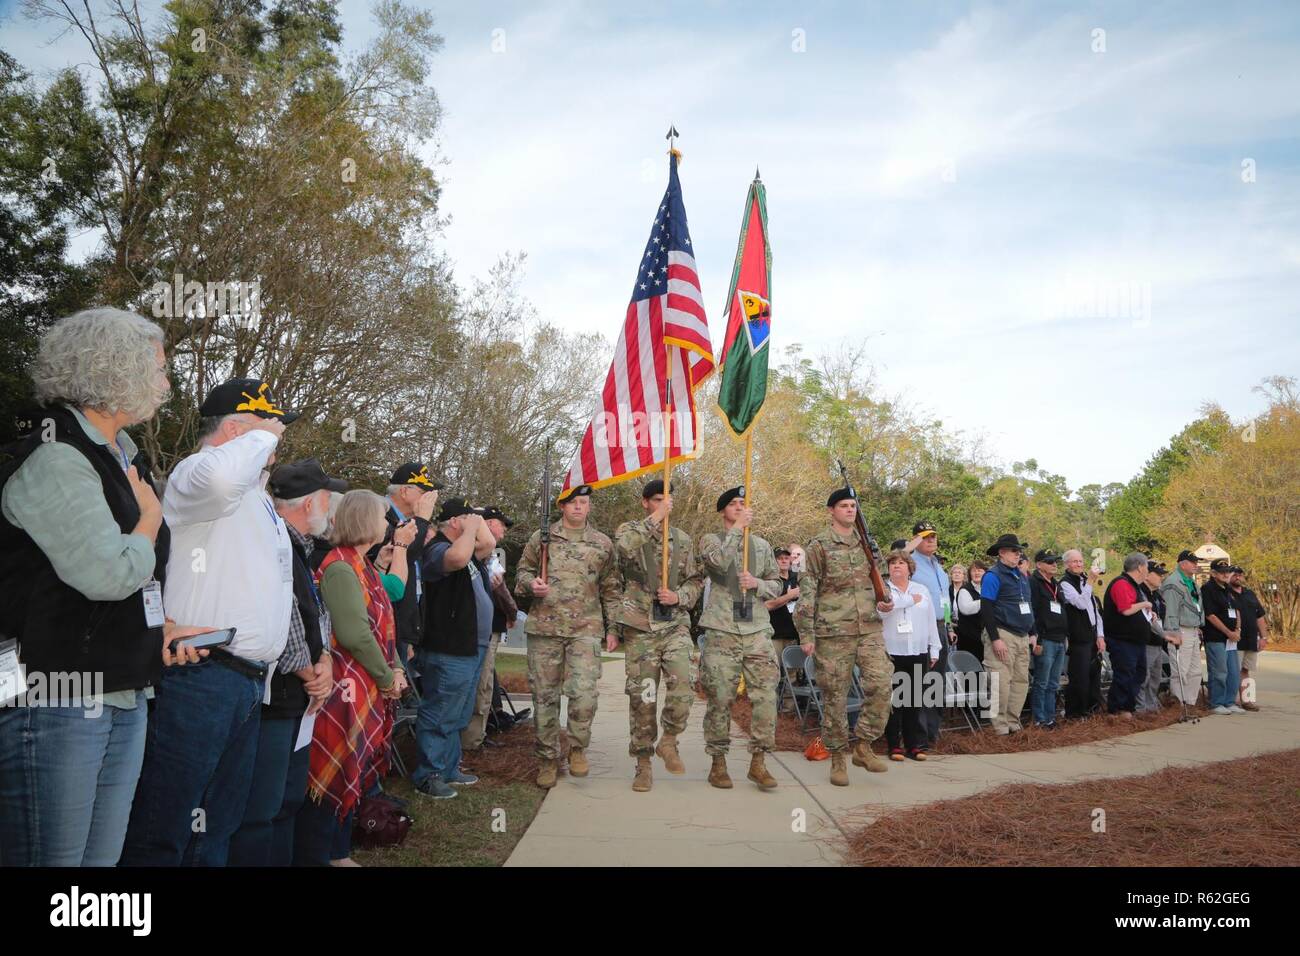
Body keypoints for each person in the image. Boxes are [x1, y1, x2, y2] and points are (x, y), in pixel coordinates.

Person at [0, 308, 208, 867]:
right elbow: (106, 574)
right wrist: (147, 519)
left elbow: (133, 579)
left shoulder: (122, 458)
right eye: (159, 369)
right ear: (114, 370)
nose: (167, 384)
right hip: (57, 698)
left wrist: (159, 628)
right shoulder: (57, 458)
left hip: (122, 688)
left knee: (97, 870)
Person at [122, 376, 299, 866]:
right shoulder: (197, 473)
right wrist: (262, 432)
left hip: (243, 680)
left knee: (216, 824)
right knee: (165, 824)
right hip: (201, 674)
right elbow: (222, 479)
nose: (277, 441)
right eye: (268, 430)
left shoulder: (258, 497)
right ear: (236, 431)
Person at [228, 459, 343, 866]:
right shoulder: (274, 543)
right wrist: (310, 671)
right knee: (262, 807)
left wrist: (326, 659)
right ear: (308, 503)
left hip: (301, 697)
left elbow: (318, 613)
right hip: (275, 699)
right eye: (327, 498)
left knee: (289, 798)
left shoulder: (302, 547)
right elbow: (282, 615)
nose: (331, 508)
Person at [295, 490, 407, 865]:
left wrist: (396, 669)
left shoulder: (364, 564)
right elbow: (355, 634)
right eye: (381, 516)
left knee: (351, 771)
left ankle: (338, 852)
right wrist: (387, 676)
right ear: (364, 521)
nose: (388, 524)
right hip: (345, 688)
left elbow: (385, 627)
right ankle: (321, 854)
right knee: (331, 774)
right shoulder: (342, 567)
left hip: (365, 685)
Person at [513, 486, 619, 788]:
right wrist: (531, 585)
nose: (578, 507)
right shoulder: (542, 538)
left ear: (589, 507)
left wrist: (614, 628)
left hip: (585, 630)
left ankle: (577, 748)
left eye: (583, 502)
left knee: (584, 695)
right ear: (562, 506)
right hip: (545, 629)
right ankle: (547, 759)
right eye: (572, 502)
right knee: (544, 698)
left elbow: (611, 588)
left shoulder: (602, 544)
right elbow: (521, 573)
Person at [794, 486, 894, 786]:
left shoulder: (868, 545)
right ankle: (838, 757)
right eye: (844, 506)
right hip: (833, 632)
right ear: (831, 511)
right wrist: (806, 633)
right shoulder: (819, 546)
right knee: (835, 697)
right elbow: (807, 590)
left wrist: (885, 597)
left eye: (853, 505)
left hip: (870, 628)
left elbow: (881, 580)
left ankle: (863, 744)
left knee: (881, 684)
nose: (850, 510)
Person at [613, 479, 704, 792]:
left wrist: (680, 597)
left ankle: (669, 740)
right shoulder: (630, 530)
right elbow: (622, 549)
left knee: (685, 683)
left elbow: (695, 580)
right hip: (640, 627)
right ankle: (643, 763)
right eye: (656, 499)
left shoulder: (682, 540)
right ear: (645, 503)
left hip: (674, 625)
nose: (663, 504)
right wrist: (655, 519)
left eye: (667, 500)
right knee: (643, 698)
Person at [409, 498, 496, 798]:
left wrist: (475, 522)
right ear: (455, 522)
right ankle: (428, 774)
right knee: (440, 712)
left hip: (471, 646)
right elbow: (457, 559)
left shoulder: (468, 548)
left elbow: (489, 542)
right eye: (470, 519)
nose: (477, 524)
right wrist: (470, 527)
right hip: (448, 647)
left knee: (458, 713)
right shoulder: (436, 551)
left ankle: (447, 768)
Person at [697, 486, 782, 790]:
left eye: (743, 504)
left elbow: (777, 585)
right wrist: (737, 531)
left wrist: (758, 582)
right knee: (720, 698)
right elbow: (718, 563)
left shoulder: (762, 545)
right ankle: (717, 763)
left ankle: (758, 762)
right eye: (733, 504)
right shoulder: (711, 540)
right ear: (723, 512)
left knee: (766, 697)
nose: (739, 507)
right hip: (722, 630)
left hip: (757, 630)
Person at [374, 462, 442, 672]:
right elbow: (404, 554)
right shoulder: (382, 516)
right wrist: (422, 519)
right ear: (404, 491)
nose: (428, 499)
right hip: (386, 619)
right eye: (423, 492)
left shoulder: (405, 521)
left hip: (402, 622)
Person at [462, 505, 519, 753]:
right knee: (481, 685)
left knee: (485, 684)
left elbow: (499, 583)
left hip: (490, 625)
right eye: (501, 524)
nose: (504, 531)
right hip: (480, 628)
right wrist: (513, 611)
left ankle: (479, 734)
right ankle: (472, 741)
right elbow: (499, 588)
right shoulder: (478, 552)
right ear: (486, 522)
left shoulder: (488, 553)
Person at [878, 550, 941, 760]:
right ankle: (894, 746)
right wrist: (908, 600)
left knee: (913, 701)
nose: (897, 566)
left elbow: (931, 620)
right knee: (895, 701)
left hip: (917, 651)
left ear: (909, 567)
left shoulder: (921, 589)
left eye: (901, 563)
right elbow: (884, 610)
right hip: (893, 653)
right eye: (893, 563)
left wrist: (935, 647)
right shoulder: (884, 588)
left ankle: (913, 745)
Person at [978, 534, 1035, 735]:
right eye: (1014, 550)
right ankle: (998, 728)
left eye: (1019, 551)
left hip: (1022, 635)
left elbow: (1028, 605)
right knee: (999, 683)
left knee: (1020, 682)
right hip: (1003, 633)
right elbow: (986, 608)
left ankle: (1012, 722)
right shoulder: (993, 575)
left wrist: (1033, 631)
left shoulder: (1021, 575)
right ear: (1001, 553)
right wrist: (995, 639)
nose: (1018, 554)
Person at [903, 521, 950, 745]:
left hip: (941, 627)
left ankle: (932, 731)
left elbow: (945, 600)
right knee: (919, 682)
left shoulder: (938, 567)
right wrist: (909, 547)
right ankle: (918, 735)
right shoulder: (910, 563)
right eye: (925, 537)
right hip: (920, 628)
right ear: (916, 540)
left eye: (933, 536)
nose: (931, 540)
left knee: (937, 681)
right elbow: (888, 563)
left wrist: (949, 626)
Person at [1101, 553, 1154, 720]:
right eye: (1146, 566)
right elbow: (1126, 609)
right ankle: (1115, 710)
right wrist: (1145, 604)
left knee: (1138, 674)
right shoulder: (1121, 583)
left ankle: (1127, 708)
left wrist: (1148, 614)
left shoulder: (1135, 586)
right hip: (1122, 639)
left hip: (1136, 640)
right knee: (1125, 674)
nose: (1148, 571)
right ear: (1139, 567)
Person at [1059, 550, 1106, 718]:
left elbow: (1094, 611)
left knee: (1094, 674)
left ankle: (1092, 709)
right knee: (1080, 677)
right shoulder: (1064, 583)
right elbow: (1080, 603)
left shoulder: (1085, 581)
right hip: (1078, 638)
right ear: (1066, 564)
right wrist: (1091, 581)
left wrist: (1100, 636)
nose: (1079, 564)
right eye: (1074, 561)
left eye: (1080, 561)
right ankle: (1075, 713)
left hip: (1092, 635)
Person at [1158, 550, 1205, 709]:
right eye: (1192, 562)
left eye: (1196, 562)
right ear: (1182, 563)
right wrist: (1173, 632)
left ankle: (1190, 702)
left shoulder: (1191, 582)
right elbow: (1170, 610)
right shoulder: (1173, 582)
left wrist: (1198, 625)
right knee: (1180, 669)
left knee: (1195, 669)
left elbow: (1195, 606)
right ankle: (1179, 703)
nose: (1195, 565)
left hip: (1192, 629)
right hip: (1180, 630)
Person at [1028, 549, 1068, 728]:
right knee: (1042, 681)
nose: (1054, 565)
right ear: (1039, 565)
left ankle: (1050, 718)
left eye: (1055, 561)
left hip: (1059, 638)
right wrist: (1037, 636)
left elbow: (1062, 610)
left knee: (1053, 683)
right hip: (1045, 639)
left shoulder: (1056, 584)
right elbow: (1032, 611)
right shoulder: (1033, 583)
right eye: (1050, 561)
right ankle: (1039, 719)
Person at [1201, 558, 1243, 715]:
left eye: (1227, 571)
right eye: (1222, 572)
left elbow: (1237, 610)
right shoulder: (1208, 589)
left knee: (1233, 671)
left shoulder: (1228, 589)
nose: (1226, 574)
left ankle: (1229, 701)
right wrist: (1228, 632)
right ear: (1213, 573)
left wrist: (1237, 629)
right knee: (1219, 671)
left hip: (1231, 639)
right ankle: (1217, 702)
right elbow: (1210, 615)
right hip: (1217, 637)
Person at [1230, 566, 1266, 712]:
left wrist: (1263, 636)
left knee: (1246, 670)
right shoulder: (1226, 593)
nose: (1238, 577)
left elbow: (1260, 616)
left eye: (1240, 575)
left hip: (1251, 639)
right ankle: (1231, 700)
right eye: (1234, 575)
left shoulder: (1249, 593)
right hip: (1235, 639)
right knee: (1233, 670)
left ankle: (1248, 700)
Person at [1137, 561, 1171, 713]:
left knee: (1156, 677)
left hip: (1158, 641)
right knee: (1144, 676)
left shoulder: (1158, 594)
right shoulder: (1140, 592)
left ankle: (1151, 705)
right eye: (1157, 574)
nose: (1161, 577)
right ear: (1146, 575)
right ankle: (1141, 707)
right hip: (1146, 640)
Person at [765, 547, 800, 664]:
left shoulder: (796, 578)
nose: (784, 561)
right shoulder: (770, 580)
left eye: (786, 558)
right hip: (775, 635)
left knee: (794, 676)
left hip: (794, 634)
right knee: (774, 672)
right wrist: (789, 596)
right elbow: (767, 605)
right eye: (780, 558)